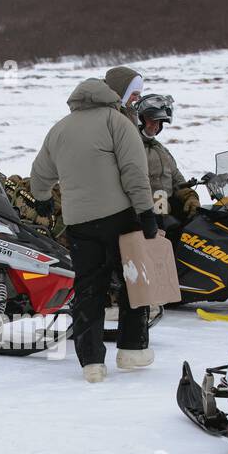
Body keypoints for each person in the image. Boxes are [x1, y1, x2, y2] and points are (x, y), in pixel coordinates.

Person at [30, 68, 157, 383]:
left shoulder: (59, 129)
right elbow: (134, 173)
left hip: (79, 224)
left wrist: (43, 199)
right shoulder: (118, 123)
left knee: (89, 289)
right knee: (132, 283)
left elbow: (39, 174)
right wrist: (147, 212)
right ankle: (131, 350)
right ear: (112, 96)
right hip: (119, 218)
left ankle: (91, 363)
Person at [134, 93, 200, 221]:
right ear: (139, 119)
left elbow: (177, 180)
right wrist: (155, 203)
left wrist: (190, 197)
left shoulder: (160, 150)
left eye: (160, 122)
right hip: (144, 218)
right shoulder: (130, 149)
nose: (156, 126)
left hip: (167, 215)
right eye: (152, 121)